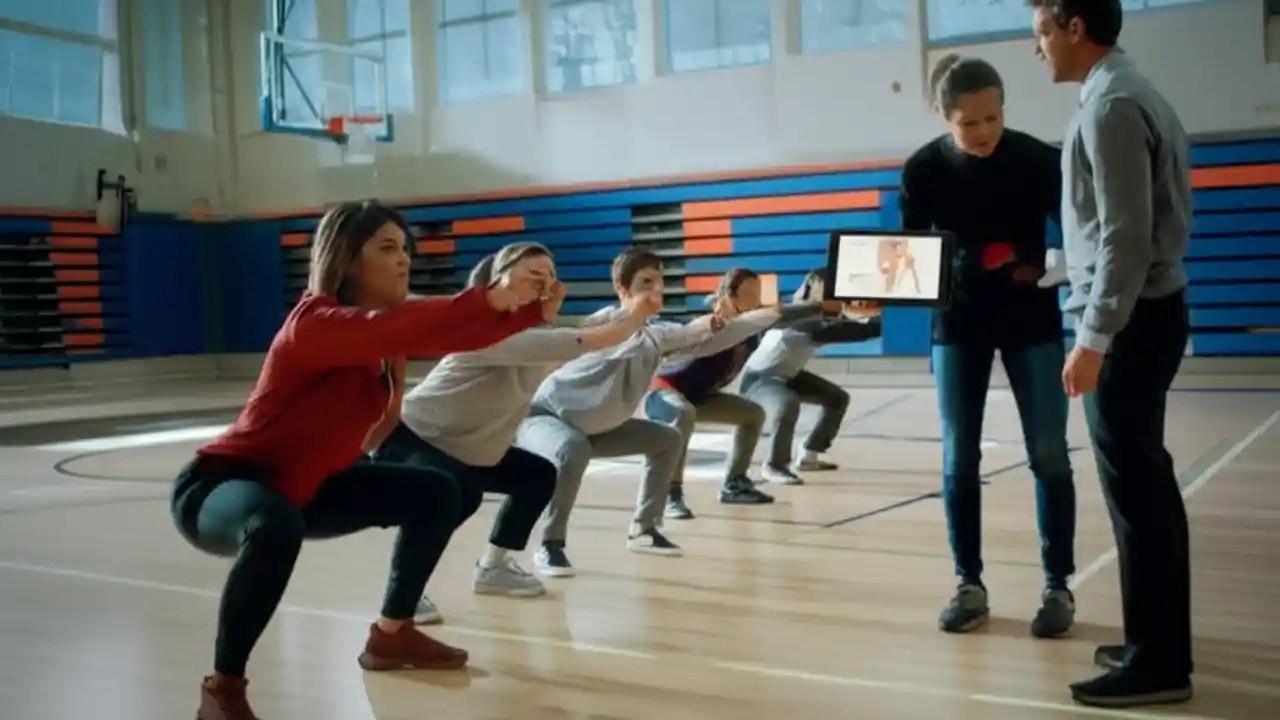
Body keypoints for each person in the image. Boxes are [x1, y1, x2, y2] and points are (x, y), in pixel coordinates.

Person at [171, 201, 546, 720]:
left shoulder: (383, 336)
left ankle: (393, 636)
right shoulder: (315, 322)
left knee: (440, 490)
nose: (404, 260)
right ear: (347, 259)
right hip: (223, 486)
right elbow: (414, 327)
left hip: (310, 487)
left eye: (405, 249)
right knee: (272, 522)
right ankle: (223, 691)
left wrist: (529, 310)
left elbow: (453, 333)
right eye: (387, 248)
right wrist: (500, 295)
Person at [1028, 0, 1194, 707]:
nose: (1037, 49)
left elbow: (1128, 237)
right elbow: (1116, 227)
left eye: (1041, 33)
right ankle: (1154, 641)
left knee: (1138, 496)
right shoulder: (1130, 91)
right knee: (1145, 491)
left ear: (1072, 27)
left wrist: (1094, 339)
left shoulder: (1110, 107)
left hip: (1130, 325)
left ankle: (1157, 665)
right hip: (1145, 312)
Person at [372, 242, 662, 624]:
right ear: (500, 282)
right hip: (413, 437)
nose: (545, 283)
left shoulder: (531, 332)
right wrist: (631, 316)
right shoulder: (486, 333)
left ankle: (494, 568)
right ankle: (403, 595)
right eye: (533, 275)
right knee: (455, 495)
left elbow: (576, 333)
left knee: (537, 476)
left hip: (469, 446)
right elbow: (585, 340)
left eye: (550, 276)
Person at [900, 54, 1077, 638]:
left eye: (992, 118)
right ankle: (968, 584)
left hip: (1033, 322)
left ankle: (1058, 586)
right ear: (943, 115)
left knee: (1049, 454)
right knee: (959, 457)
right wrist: (869, 290)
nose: (982, 132)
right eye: (967, 122)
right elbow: (908, 256)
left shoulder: (1037, 159)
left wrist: (1056, 266)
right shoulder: (923, 169)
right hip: (958, 326)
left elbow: (1079, 235)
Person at [518, 248, 789, 575]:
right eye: (646, 282)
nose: (656, 289)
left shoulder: (656, 334)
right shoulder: (601, 323)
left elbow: (708, 335)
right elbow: (625, 340)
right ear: (622, 289)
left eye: (660, 282)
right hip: (546, 420)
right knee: (572, 449)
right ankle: (549, 545)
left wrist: (746, 317)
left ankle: (644, 529)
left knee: (666, 439)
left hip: (597, 430)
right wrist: (702, 326)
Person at [644, 267, 840, 514]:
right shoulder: (717, 324)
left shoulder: (749, 328)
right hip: (664, 394)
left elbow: (781, 317)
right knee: (683, 415)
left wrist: (838, 310)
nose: (755, 299)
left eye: (757, 293)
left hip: (701, 396)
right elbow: (778, 314)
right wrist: (827, 306)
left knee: (752, 414)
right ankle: (671, 495)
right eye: (748, 292)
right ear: (730, 295)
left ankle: (734, 484)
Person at [739, 270, 883, 479]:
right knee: (786, 403)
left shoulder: (808, 314)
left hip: (789, 375)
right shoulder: (804, 320)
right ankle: (774, 465)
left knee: (837, 399)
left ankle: (809, 454)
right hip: (759, 379)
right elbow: (858, 331)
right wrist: (881, 316)